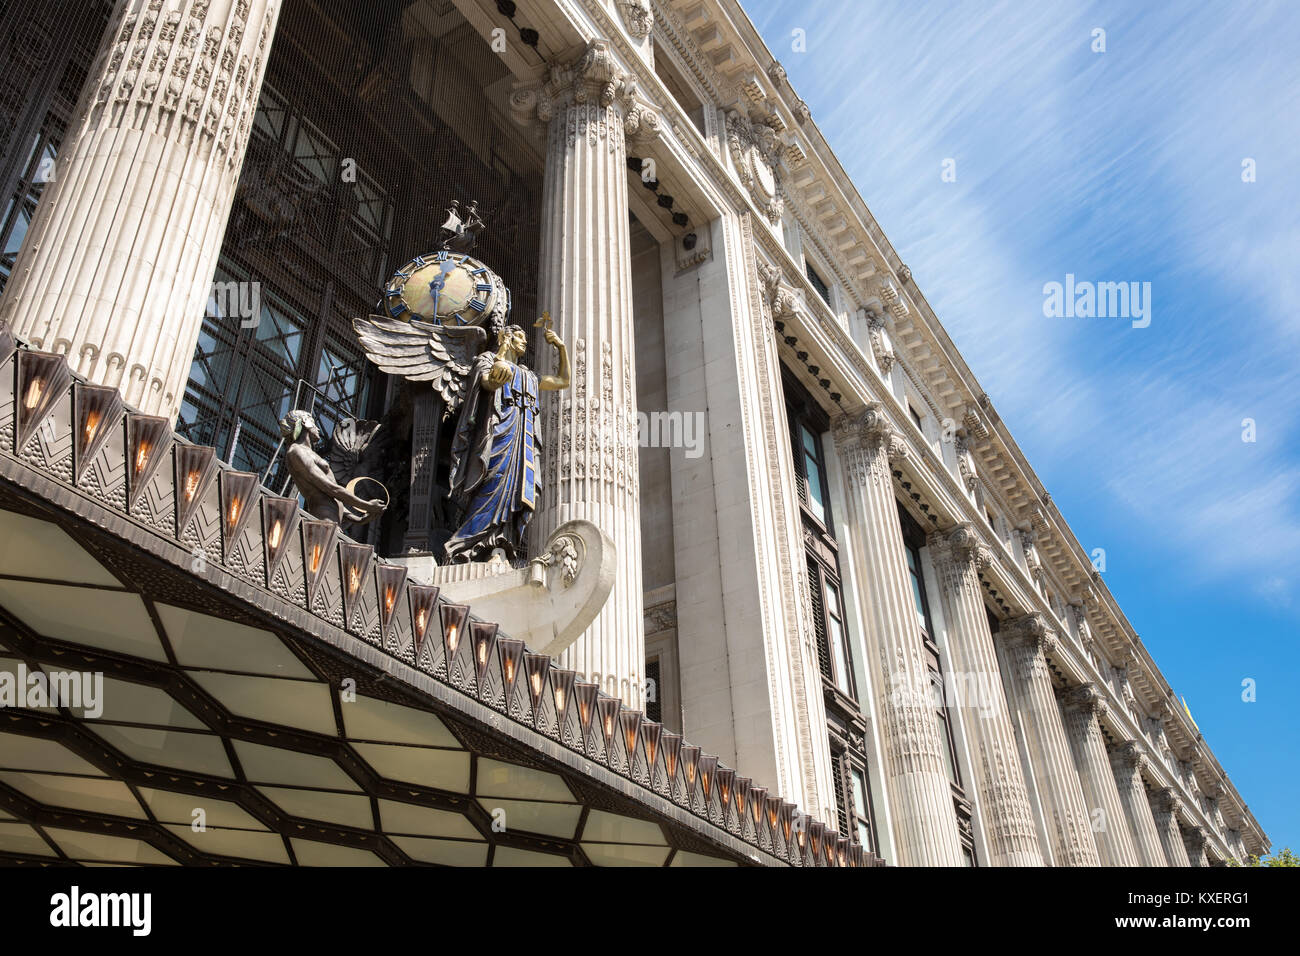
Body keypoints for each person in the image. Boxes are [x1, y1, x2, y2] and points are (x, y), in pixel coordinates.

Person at [444, 323, 569, 563]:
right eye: (520, 337)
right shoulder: (487, 360)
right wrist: (497, 372)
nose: (525, 342)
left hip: (522, 440)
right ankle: (462, 545)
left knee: (516, 491)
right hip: (497, 433)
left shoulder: (530, 376)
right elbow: (486, 382)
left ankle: (500, 544)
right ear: (507, 338)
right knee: (492, 482)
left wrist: (561, 348)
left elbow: (563, 380)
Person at [278, 410, 386, 524]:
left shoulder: (306, 452)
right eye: (313, 423)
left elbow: (331, 496)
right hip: (324, 519)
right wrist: (367, 505)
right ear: (305, 423)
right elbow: (330, 487)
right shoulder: (297, 451)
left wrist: (359, 519)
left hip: (332, 519)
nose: (318, 428)